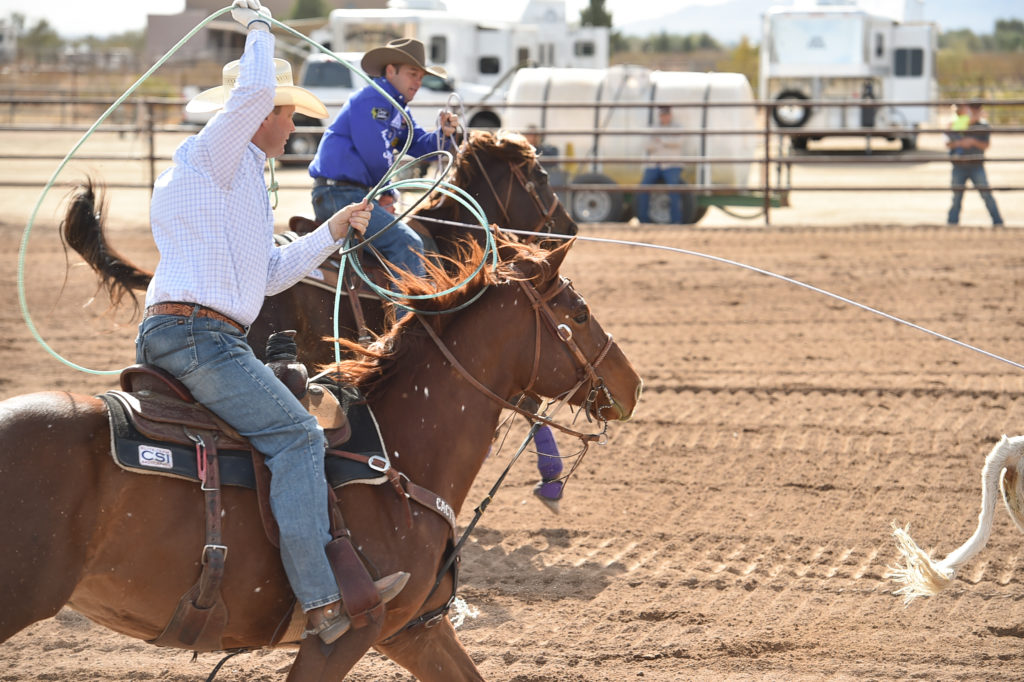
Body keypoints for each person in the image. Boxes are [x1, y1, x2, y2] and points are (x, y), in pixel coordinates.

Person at [137, 0, 407, 645]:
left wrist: (335, 231)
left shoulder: (239, 180)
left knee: (284, 431)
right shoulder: (214, 156)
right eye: (286, 112)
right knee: (298, 438)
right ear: (257, 114)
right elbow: (255, 88)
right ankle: (320, 602)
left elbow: (269, 276)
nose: (292, 124)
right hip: (201, 337)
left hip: (194, 332)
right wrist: (259, 20)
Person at [308, 37, 459, 280]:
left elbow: (420, 144)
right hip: (341, 196)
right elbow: (376, 156)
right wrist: (389, 192)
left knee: (417, 241)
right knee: (407, 245)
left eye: (421, 77)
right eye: (413, 74)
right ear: (391, 70)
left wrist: (443, 134)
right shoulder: (373, 103)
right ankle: (407, 318)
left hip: (350, 196)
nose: (418, 83)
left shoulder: (395, 109)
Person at [946, 100, 1004, 227]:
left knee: (986, 195)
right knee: (957, 197)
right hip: (959, 165)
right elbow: (950, 138)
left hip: (976, 165)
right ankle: (952, 222)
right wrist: (962, 142)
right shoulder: (958, 122)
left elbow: (986, 145)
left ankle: (997, 221)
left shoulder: (982, 125)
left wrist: (972, 141)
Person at [635, 106, 686, 224]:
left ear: (670, 115)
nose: (665, 117)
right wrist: (667, 141)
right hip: (654, 164)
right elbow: (647, 144)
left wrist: (661, 140)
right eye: (662, 115)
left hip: (672, 165)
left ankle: (676, 221)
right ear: (660, 116)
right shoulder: (654, 127)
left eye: (666, 115)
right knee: (643, 189)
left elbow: (678, 142)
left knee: (673, 190)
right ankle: (643, 220)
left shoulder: (677, 127)